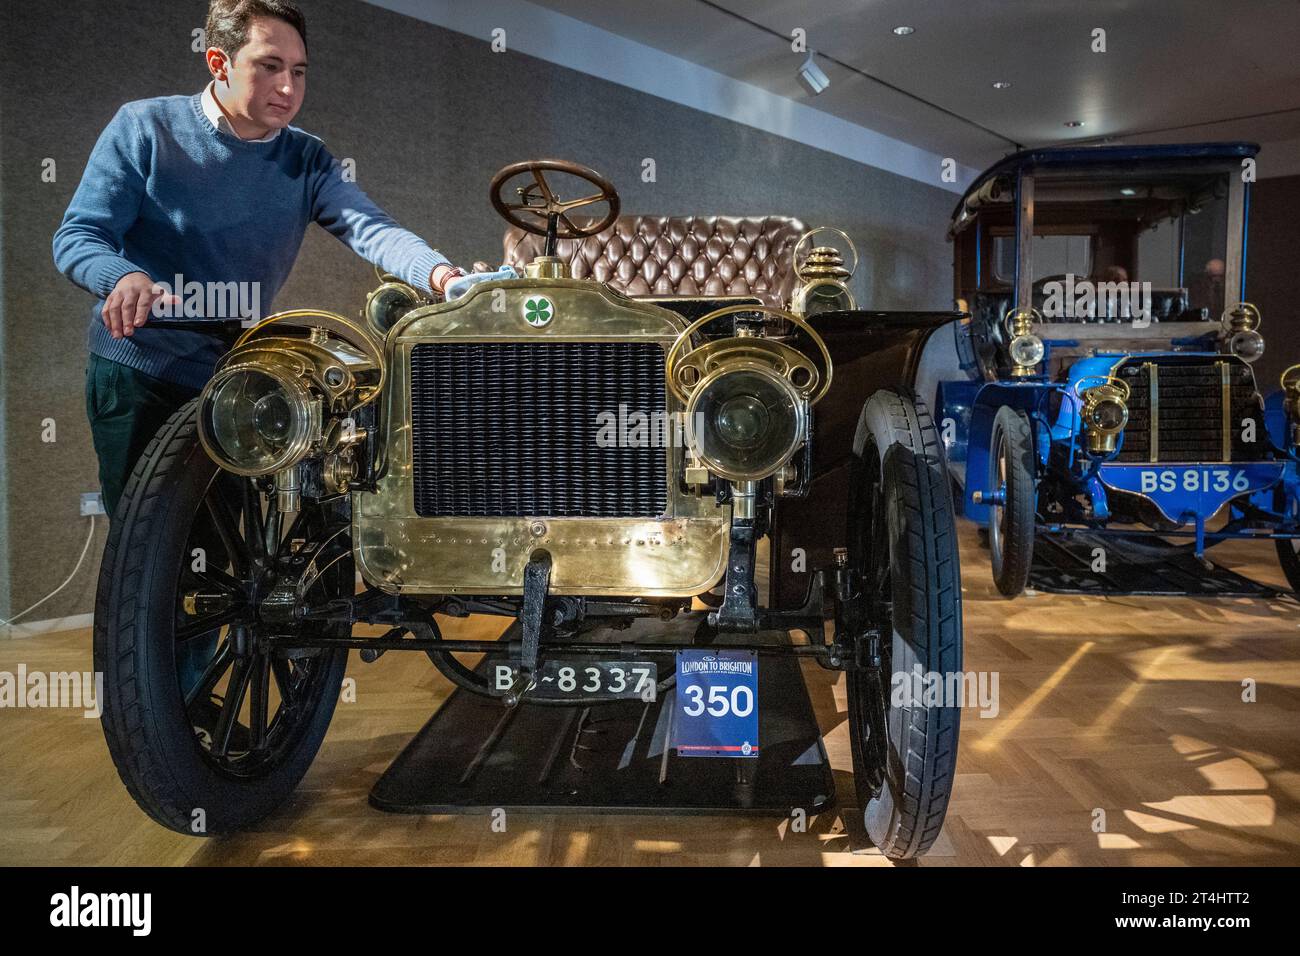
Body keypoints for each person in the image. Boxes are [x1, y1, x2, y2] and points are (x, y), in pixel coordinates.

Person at [52, 0, 508, 517]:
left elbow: (372, 228)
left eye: (298, 71)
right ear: (219, 63)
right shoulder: (145, 127)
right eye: (269, 67)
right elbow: (79, 235)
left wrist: (442, 275)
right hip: (139, 370)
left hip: (233, 372)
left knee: (223, 551)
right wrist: (124, 276)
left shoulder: (306, 157)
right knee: (141, 550)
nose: (289, 88)